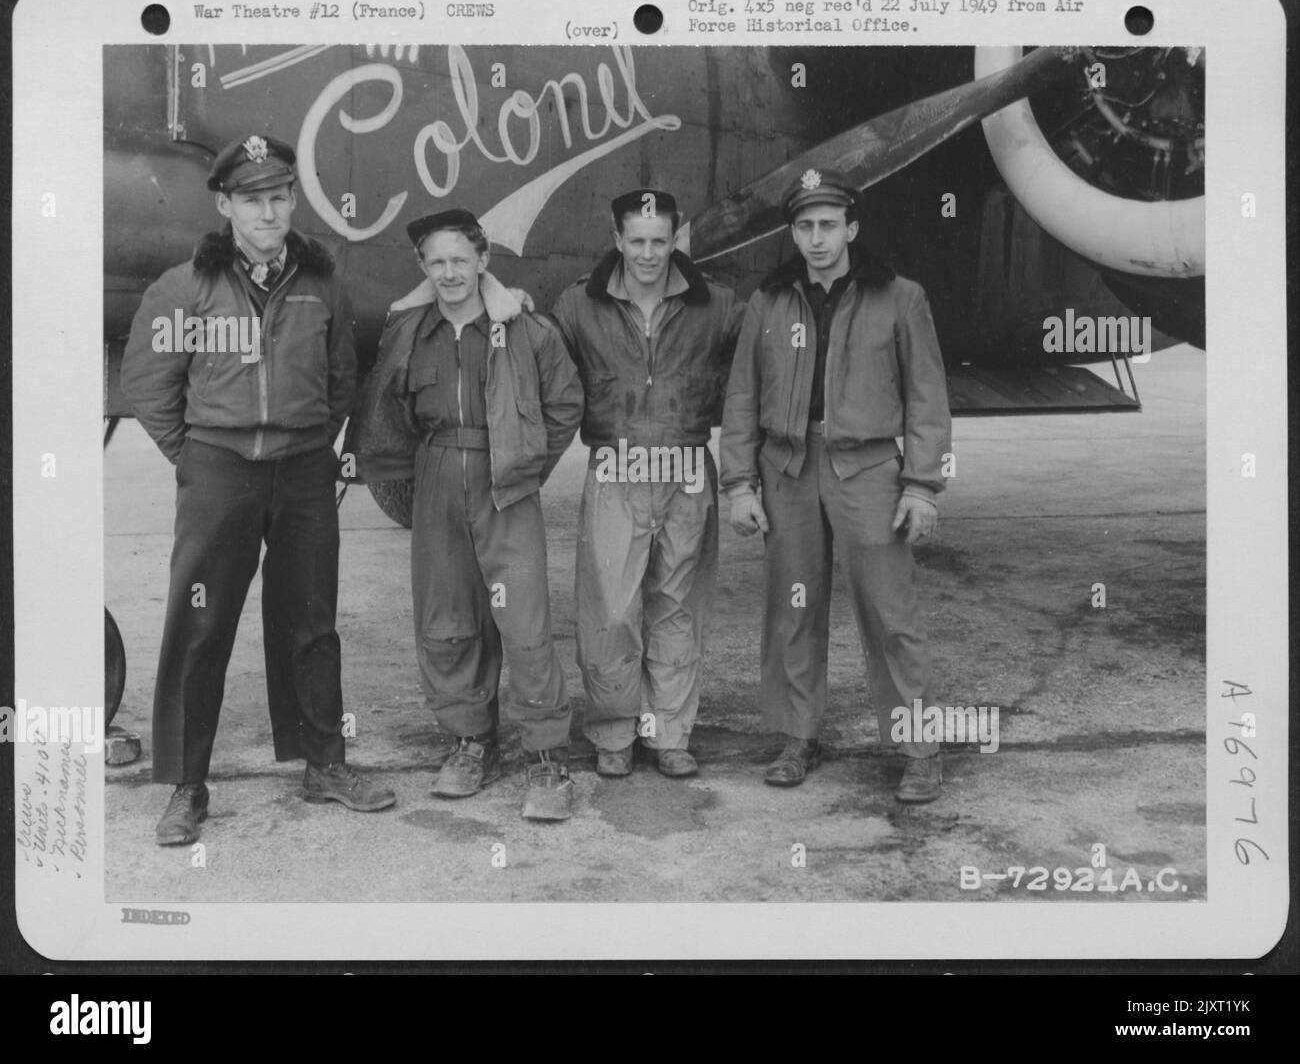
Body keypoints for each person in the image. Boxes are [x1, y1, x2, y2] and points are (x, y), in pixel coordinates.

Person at [121, 133, 396, 846]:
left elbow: (341, 380)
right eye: (252, 199)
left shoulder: (321, 283)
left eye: (279, 196)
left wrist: (309, 440)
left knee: (311, 619)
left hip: (303, 470)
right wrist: (199, 456)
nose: (268, 211)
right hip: (220, 472)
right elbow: (149, 387)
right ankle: (186, 784)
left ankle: (324, 763)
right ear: (225, 204)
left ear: (292, 200)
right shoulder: (184, 289)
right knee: (200, 624)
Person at [720, 167, 952, 803]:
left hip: (869, 467)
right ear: (793, 233)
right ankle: (798, 736)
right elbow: (741, 397)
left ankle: (919, 747)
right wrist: (739, 483)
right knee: (792, 607)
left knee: (890, 610)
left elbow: (927, 396)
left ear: (851, 228)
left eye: (828, 225)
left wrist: (922, 485)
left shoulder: (899, 297)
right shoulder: (769, 303)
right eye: (804, 226)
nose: (817, 238)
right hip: (787, 468)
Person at [355, 208, 584, 820]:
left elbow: (564, 401)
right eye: (438, 262)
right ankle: (470, 743)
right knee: (447, 617)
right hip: (437, 474)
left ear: (483, 260)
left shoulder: (524, 328)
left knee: (525, 621)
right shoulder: (409, 329)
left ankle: (546, 758)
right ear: (423, 267)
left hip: (504, 480)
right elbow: (389, 404)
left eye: (461, 259)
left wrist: (527, 463)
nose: (450, 272)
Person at [550, 189, 744, 778]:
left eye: (660, 241)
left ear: (677, 238)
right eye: (636, 240)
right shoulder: (577, 307)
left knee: (678, 606)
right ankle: (613, 733)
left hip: (686, 471)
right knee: (611, 609)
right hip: (617, 472)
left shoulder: (719, 307)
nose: (648, 253)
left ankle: (668, 732)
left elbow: (765, 360)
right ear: (616, 239)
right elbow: (540, 369)